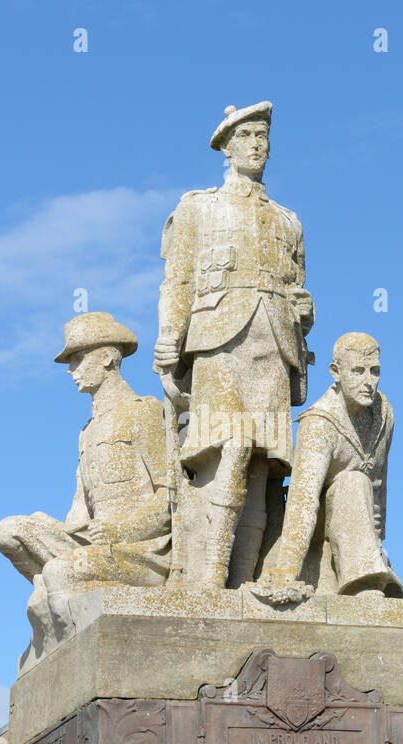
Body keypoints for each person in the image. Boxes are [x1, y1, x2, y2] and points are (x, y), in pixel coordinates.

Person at [153, 101, 314, 588]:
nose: (257, 146)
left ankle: (245, 585)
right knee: (227, 449)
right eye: (246, 136)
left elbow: (300, 288)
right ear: (226, 146)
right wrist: (168, 337)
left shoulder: (288, 220)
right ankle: (208, 579)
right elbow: (177, 280)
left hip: (275, 344)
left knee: (263, 467)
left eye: (263, 137)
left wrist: (305, 312)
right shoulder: (198, 207)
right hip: (218, 340)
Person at [0, 312, 170, 663]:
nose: (71, 370)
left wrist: (121, 530)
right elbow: (79, 510)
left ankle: (80, 651)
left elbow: (169, 500)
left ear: (107, 357)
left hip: (141, 551)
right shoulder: (87, 432)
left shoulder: (145, 413)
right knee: (8, 532)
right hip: (94, 544)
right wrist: (57, 529)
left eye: (78, 358)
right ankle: (63, 601)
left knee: (58, 572)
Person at [256, 332, 402, 602]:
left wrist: (378, 547)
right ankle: (361, 579)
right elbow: (303, 500)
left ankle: (369, 570)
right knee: (352, 481)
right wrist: (287, 567)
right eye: (357, 371)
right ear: (336, 372)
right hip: (317, 526)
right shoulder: (319, 422)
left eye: (374, 371)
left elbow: (379, 488)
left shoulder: (384, 414)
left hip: (356, 525)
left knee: (361, 483)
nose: (368, 382)